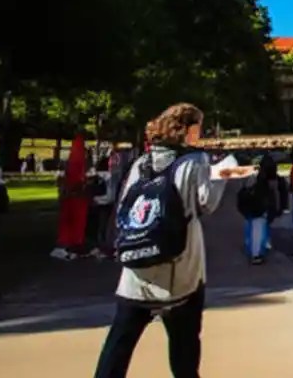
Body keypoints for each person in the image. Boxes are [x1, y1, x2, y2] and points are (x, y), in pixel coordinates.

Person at [93, 104, 225, 378]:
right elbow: (206, 203)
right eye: (198, 126)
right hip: (179, 271)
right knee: (184, 347)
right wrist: (222, 175)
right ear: (187, 129)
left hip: (137, 268)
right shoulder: (194, 162)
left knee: (119, 344)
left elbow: (124, 209)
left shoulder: (141, 163)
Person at [237, 154, 285, 265]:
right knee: (259, 229)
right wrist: (280, 209)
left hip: (251, 208)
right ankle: (257, 253)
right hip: (261, 209)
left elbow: (243, 193)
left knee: (252, 229)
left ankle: (253, 249)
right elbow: (279, 196)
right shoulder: (275, 180)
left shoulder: (254, 179)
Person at [51, 134, 90, 261]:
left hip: (72, 198)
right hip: (74, 198)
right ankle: (69, 245)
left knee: (69, 223)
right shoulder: (76, 164)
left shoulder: (72, 163)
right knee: (71, 223)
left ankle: (70, 245)